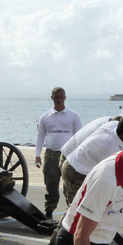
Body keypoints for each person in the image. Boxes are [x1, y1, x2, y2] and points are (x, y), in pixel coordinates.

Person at [44, 117, 123, 245]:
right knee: (77, 210)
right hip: (75, 171)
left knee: (74, 209)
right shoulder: (109, 147)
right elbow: (114, 173)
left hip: (84, 166)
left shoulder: (114, 126)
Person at [35, 87, 82, 219]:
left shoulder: (73, 115)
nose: (59, 100)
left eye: (61, 97)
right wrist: (37, 155)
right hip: (51, 155)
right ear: (52, 98)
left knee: (70, 187)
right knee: (51, 185)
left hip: (68, 156)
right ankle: (49, 213)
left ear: (65, 98)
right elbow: (40, 136)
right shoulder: (45, 116)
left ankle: (72, 215)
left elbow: (79, 137)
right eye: (56, 97)